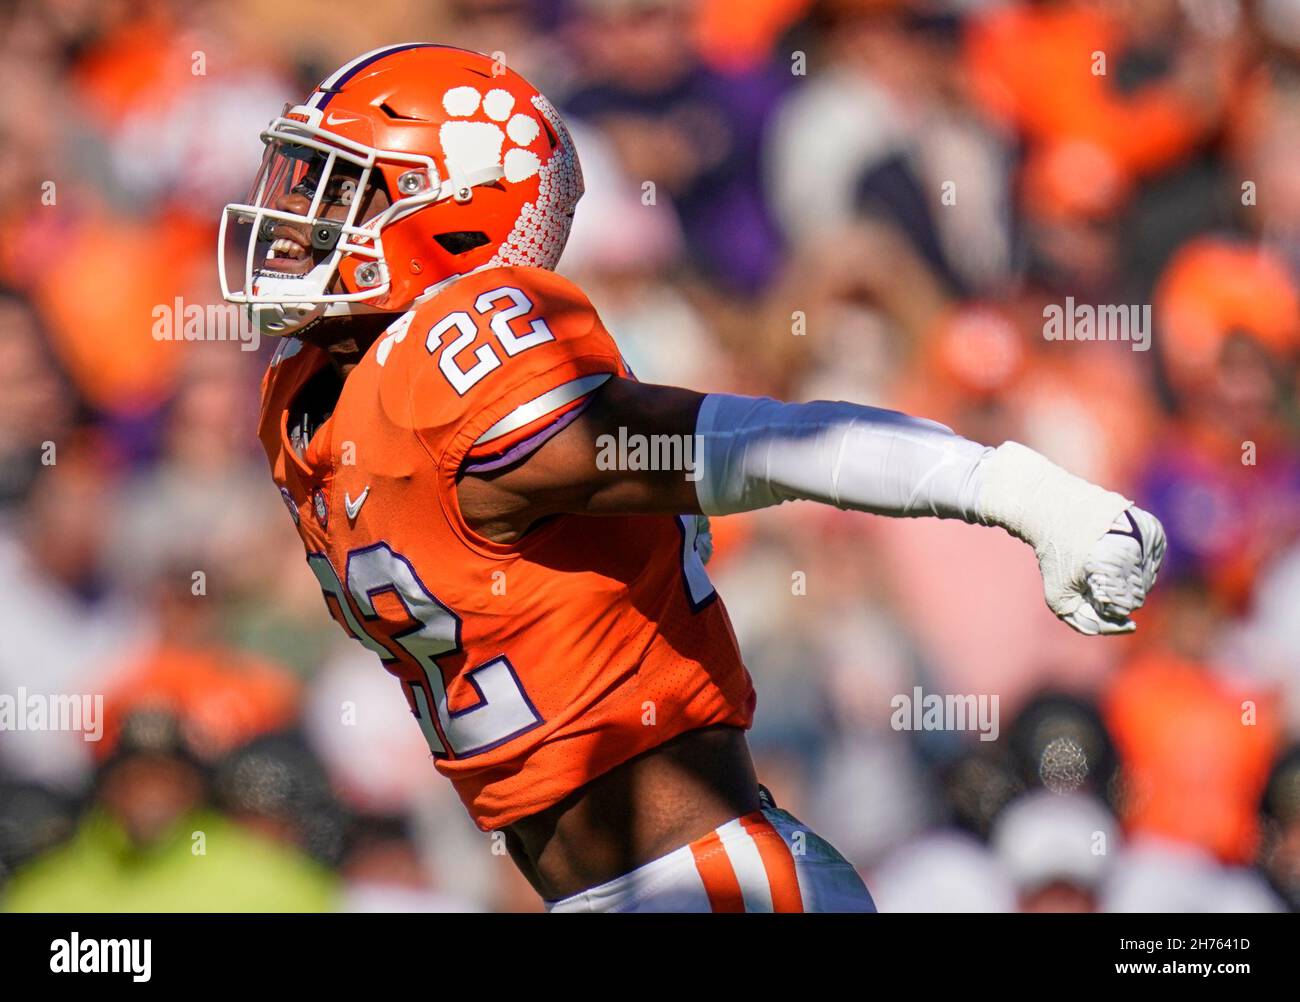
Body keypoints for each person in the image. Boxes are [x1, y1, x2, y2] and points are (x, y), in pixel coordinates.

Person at [219, 44, 1166, 913]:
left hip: (706, 888)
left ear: (458, 222)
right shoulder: (304, 394)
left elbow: (751, 445)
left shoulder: (451, 369)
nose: (295, 219)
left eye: (341, 190)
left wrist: (1015, 491)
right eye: (302, 179)